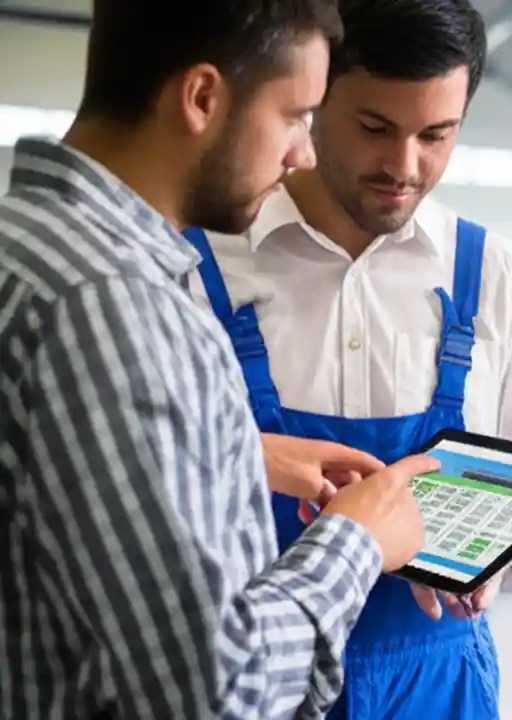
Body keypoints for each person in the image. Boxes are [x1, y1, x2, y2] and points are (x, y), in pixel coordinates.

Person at [0, 2, 435, 718]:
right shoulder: (112, 305)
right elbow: (208, 692)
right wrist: (355, 542)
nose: (304, 154)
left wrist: (232, 451)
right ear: (201, 97)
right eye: (296, 116)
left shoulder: (31, 246)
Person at [185, 0, 512, 717]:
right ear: (315, 97)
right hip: (255, 679)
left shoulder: (496, 280)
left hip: (440, 681)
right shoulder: (197, 269)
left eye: (436, 135)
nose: (404, 167)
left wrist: (493, 556)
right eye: (375, 128)